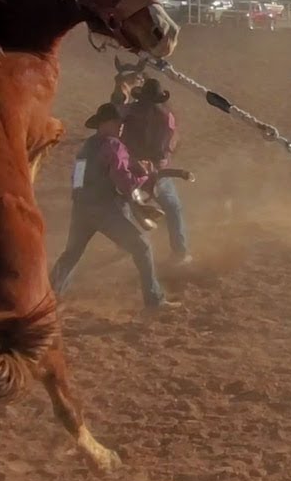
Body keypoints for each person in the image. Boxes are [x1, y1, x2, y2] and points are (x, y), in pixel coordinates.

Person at [50, 104, 178, 310]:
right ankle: (154, 299)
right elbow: (124, 181)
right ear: (107, 123)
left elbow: (77, 179)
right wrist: (144, 175)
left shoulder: (87, 146)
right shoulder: (114, 146)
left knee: (72, 253)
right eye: (118, 123)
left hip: (82, 207)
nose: (121, 127)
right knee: (142, 247)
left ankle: (49, 298)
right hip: (104, 209)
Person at [122, 78, 190, 266]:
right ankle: (180, 252)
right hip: (154, 171)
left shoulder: (131, 111)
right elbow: (164, 150)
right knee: (173, 208)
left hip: (131, 167)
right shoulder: (165, 117)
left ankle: (129, 246)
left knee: (127, 207)